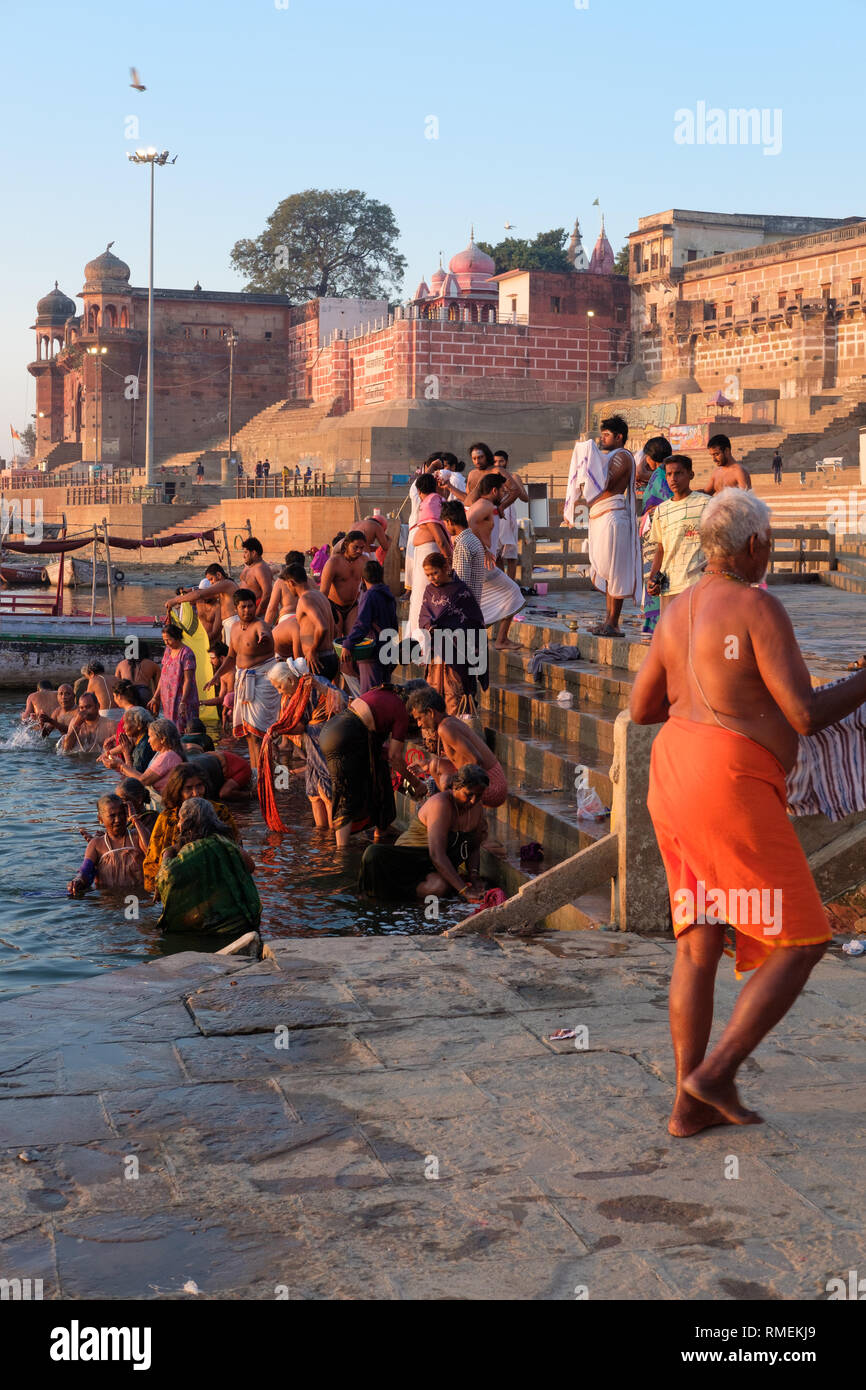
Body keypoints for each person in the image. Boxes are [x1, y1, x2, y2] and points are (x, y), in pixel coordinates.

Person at [629, 488, 866, 1138]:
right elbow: (806, 713)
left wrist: (708, 696)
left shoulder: (676, 611)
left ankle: (687, 1105)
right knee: (805, 939)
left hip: (673, 773)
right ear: (755, 545)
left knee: (700, 941)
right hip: (728, 781)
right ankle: (717, 1071)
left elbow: (645, 707)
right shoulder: (758, 605)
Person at [317, 680, 429, 847]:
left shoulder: (386, 693)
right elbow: (395, 758)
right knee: (346, 795)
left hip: (332, 731)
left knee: (379, 773)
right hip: (344, 738)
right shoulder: (401, 710)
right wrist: (416, 783)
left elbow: (385, 752)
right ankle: (342, 853)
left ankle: (382, 828)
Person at [359, 765, 489, 902]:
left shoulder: (477, 808)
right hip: (408, 861)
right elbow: (437, 855)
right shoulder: (441, 804)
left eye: (479, 796)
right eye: (469, 795)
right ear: (455, 787)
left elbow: (474, 846)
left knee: (439, 887)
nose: (474, 800)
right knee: (373, 853)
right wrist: (465, 891)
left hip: (432, 866)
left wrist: (474, 877)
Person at [155, 798, 259, 936]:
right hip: (243, 922)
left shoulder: (192, 850)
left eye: (180, 819)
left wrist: (167, 852)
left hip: (209, 930)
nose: (178, 824)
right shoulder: (227, 843)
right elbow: (251, 867)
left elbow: (166, 876)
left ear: (188, 822)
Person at [584, 414, 642, 638]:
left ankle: (614, 623)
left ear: (619, 437)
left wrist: (591, 464)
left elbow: (604, 483)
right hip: (602, 516)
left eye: (607, 435)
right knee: (607, 572)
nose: (602, 439)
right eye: (602, 435)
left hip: (613, 518)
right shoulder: (610, 457)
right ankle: (608, 621)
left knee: (615, 571)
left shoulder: (622, 457)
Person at [142, 765, 241, 892]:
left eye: (200, 785)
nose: (196, 793)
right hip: (178, 885)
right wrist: (158, 889)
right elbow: (152, 860)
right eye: (188, 788)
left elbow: (236, 847)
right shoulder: (167, 818)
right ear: (177, 791)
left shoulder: (219, 812)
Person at [406, 685, 507, 808]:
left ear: (430, 712)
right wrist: (427, 764)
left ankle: (452, 815)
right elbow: (460, 758)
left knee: (443, 782)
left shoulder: (445, 728)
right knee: (434, 766)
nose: (419, 724)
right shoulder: (448, 722)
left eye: (420, 718)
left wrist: (452, 780)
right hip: (488, 778)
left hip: (493, 787)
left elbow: (476, 760)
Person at [213, 588, 281, 769]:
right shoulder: (234, 627)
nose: (247, 610)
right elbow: (230, 656)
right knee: (249, 733)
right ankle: (255, 772)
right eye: (243, 607)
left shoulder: (261, 625)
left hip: (262, 680)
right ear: (236, 608)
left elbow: (263, 632)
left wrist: (264, 636)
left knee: (261, 733)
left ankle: (268, 772)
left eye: (250, 606)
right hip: (244, 681)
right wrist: (216, 676)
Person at [418, 552, 487, 714]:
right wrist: (431, 627)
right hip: (436, 653)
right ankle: (436, 737)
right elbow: (423, 616)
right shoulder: (429, 591)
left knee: (455, 697)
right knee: (433, 697)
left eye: (435, 573)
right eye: (428, 575)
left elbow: (473, 620)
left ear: (445, 568)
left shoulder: (461, 591)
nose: (432, 578)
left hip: (457, 654)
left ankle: (456, 734)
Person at [646, 455, 711, 617]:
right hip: (669, 586)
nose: (673, 479)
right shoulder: (662, 510)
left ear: (691, 475)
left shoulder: (707, 504)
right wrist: (653, 579)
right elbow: (661, 548)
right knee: (672, 637)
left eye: (678, 473)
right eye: (669, 474)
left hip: (698, 585)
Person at [467, 474, 524, 650]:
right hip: (483, 564)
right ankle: (501, 640)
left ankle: (477, 634)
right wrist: (482, 548)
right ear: (494, 490)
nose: (504, 494)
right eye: (502, 491)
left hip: (480, 564)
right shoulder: (484, 506)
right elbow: (467, 524)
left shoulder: (486, 506)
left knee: (486, 601)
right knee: (514, 593)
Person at [67, 795, 145, 896]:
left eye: (121, 814)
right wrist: (78, 880)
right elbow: (86, 870)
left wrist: (135, 819)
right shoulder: (96, 844)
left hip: (139, 898)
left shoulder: (137, 836)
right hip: (109, 903)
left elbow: (152, 852)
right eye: (112, 816)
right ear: (100, 819)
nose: (118, 819)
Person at [406, 474, 451, 647]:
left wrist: (448, 560)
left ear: (418, 490)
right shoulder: (438, 499)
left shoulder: (430, 502)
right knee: (421, 595)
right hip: (427, 552)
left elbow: (438, 536)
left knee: (421, 597)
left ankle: (421, 642)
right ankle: (420, 639)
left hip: (429, 553)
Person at [341, 560, 399, 692]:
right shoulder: (389, 595)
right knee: (385, 693)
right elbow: (394, 625)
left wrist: (348, 643)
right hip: (388, 650)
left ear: (363, 579)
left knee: (371, 696)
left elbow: (362, 624)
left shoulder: (370, 595)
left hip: (372, 653)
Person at [639, 436, 674, 636]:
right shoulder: (661, 474)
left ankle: (655, 625)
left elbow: (667, 501)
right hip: (656, 531)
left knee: (655, 576)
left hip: (658, 533)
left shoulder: (661, 475)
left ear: (652, 457)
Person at [281, 563, 338, 678]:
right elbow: (335, 629)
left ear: (291, 583)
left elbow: (322, 627)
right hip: (330, 656)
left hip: (318, 661)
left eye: (287, 585)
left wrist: (312, 650)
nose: (288, 588)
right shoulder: (320, 596)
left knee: (314, 696)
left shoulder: (305, 599)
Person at [112, 715, 186, 797]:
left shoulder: (168, 756)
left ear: (162, 739)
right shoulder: (162, 753)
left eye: (150, 736)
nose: (148, 740)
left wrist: (120, 765)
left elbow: (143, 780)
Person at [149, 623, 198, 734]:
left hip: (182, 697)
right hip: (168, 699)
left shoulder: (187, 653)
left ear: (177, 637)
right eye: (164, 640)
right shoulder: (168, 651)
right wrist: (155, 697)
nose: (166, 643)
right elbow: (163, 676)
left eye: (169, 640)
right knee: (171, 730)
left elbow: (188, 680)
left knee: (185, 729)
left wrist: (183, 702)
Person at [319, 530, 367, 638]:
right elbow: (323, 593)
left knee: (352, 640)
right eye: (355, 547)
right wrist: (324, 614)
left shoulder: (364, 561)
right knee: (336, 642)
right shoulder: (333, 562)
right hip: (334, 606)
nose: (359, 551)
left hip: (352, 606)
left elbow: (370, 586)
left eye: (362, 548)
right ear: (346, 545)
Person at [492, 448, 528, 580]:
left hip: (509, 517)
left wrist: (514, 488)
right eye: (495, 461)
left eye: (501, 461)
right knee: (497, 554)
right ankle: (503, 584)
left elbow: (525, 498)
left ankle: (512, 585)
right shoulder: (491, 479)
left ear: (506, 462)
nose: (498, 464)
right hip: (495, 516)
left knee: (511, 554)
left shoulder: (514, 477)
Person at [441, 500, 485, 604]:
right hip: (472, 604)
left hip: (464, 607)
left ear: (450, 522)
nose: (446, 528)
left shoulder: (463, 544)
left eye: (445, 524)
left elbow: (460, 581)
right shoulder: (473, 539)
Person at [102, 705, 155, 776]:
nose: (123, 727)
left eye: (126, 723)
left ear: (139, 725)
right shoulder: (144, 739)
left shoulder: (143, 746)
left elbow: (135, 779)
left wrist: (126, 753)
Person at [265, 550, 307, 626]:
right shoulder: (310, 581)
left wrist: (265, 630)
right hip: (306, 620)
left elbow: (272, 609)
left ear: (287, 567)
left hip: (287, 618)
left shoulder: (281, 582)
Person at [239, 537, 273, 619]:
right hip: (245, 612)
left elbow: (267, 594)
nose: (243, 556)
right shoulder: (249, 566)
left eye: (246, 552)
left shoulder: (261, 569)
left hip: (255, 614)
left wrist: (257, 614)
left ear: (254, 553)